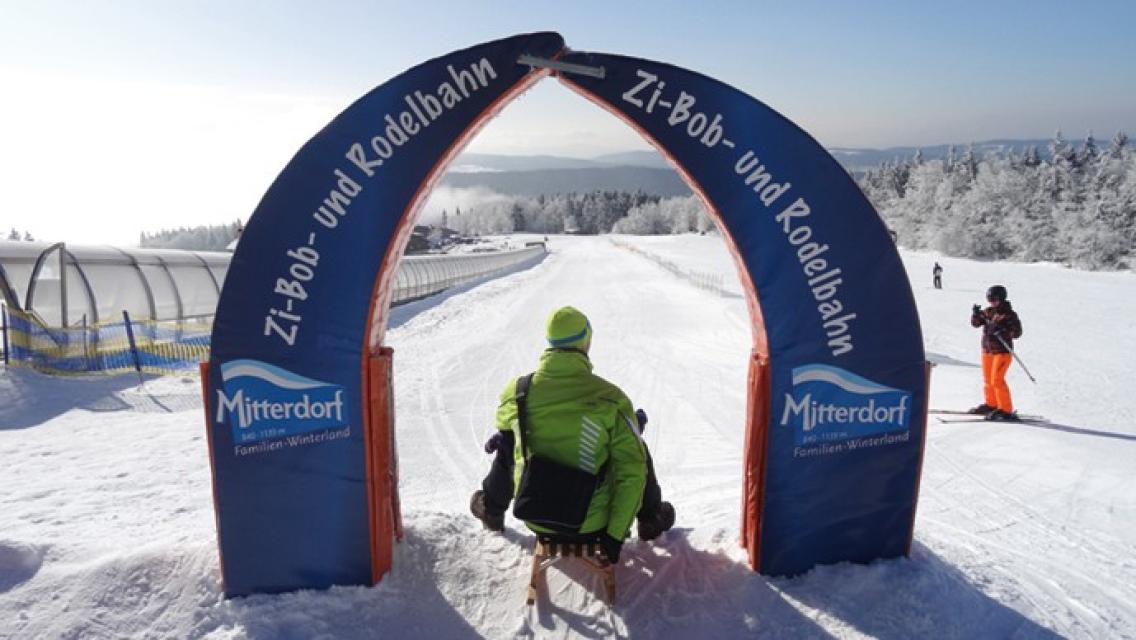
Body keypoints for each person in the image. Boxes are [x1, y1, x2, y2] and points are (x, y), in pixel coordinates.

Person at [470, 306, 675, 565]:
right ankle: (651, 519)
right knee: (634, 452)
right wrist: (614, 538)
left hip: (536, 517)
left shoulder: (518, 391)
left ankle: (491, 508)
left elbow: (505, 423)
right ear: (585, 343)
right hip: (592, 525)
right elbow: (631, 472)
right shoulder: (610, 398)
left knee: (509, 440)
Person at [968, 285, 1023, 421]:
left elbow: (1017, 332)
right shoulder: (989, 312)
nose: (991, 301)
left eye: (994, 299)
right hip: (988, 351)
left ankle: (1006, 410)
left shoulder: (1009, 314)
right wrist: (975, 314)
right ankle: (992, 404)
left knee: (997, 380)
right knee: (988, 380)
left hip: (1002, 352)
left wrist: (1002, 330)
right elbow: (976, 324)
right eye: (989, 299)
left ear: (1002, 298)